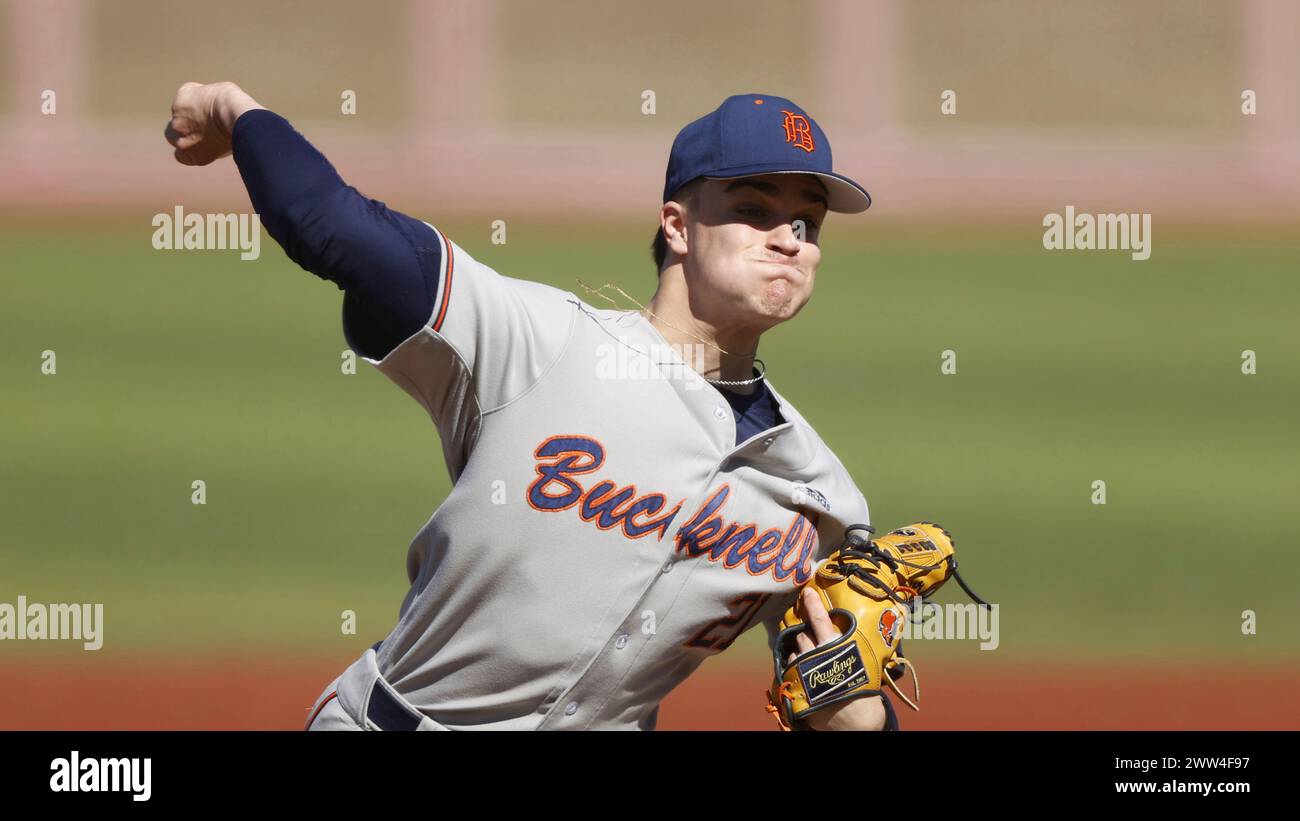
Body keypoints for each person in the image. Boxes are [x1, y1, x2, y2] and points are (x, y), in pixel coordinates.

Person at [166, 82, 894, 730]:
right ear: (676, 224)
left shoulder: (820, 495)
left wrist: (860, 719)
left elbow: (838, 691)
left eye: (807, 222)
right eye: (753, 209)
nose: (787, 240)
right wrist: (238, 110)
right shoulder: (540, 341)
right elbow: (334, 227)